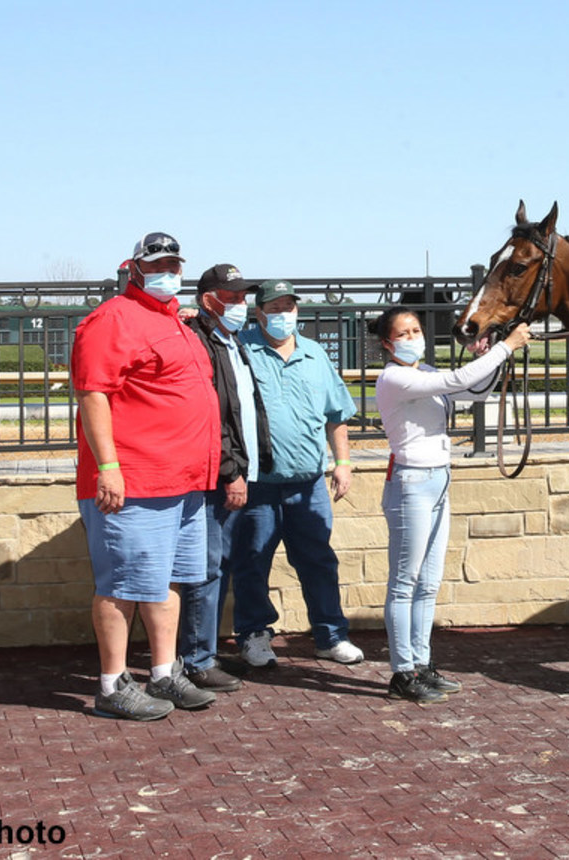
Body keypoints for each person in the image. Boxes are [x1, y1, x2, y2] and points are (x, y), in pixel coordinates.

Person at [73, 231, 222, 720]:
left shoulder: (174, 321)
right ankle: (113, 684)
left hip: (183, 482)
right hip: (135, 481)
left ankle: (163, 673)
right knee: (121, 584)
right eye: (158, 264)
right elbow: (94, 394)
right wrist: (109, 468)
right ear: (133, 268)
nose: (168, 272)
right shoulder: (111, 320)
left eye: (176, 265)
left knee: (168, 583)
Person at [373, 308, 531, 703]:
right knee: (405, 582)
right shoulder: (396, 377)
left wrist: (490, 352)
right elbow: (456, 379)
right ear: (387, 344)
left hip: (438, 479)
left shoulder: (423, 371)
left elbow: (474, 390)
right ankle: (402, 671)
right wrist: (507, 348)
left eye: (416, 330)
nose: (412, 337)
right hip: (411, 483)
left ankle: (422, 663)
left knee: (428, 583)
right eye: (403, 333)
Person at [231, 279, 362, 668]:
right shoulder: (242, 349)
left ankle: (331, 635)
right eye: (273, 309)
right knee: (252, 561)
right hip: (258, 483)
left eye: (288, 308)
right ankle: (254, 634)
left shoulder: (315, 354)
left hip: (309, 483)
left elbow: (336, 414)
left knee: (319, 561)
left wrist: (343, 463)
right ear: (258, 313)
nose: (282, 315)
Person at [176, 263, 273, 692]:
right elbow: (213, 415)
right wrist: (230, 471)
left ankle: (203, 653)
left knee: (229, 564)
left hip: (243, 472)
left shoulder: (232, 342)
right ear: (207, 300)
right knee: (208, 568)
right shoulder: (200, 339)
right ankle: (196, 659)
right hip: (219, 477)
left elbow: (245, 407)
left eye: (242, 297)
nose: (240, 305)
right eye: (230, 297)